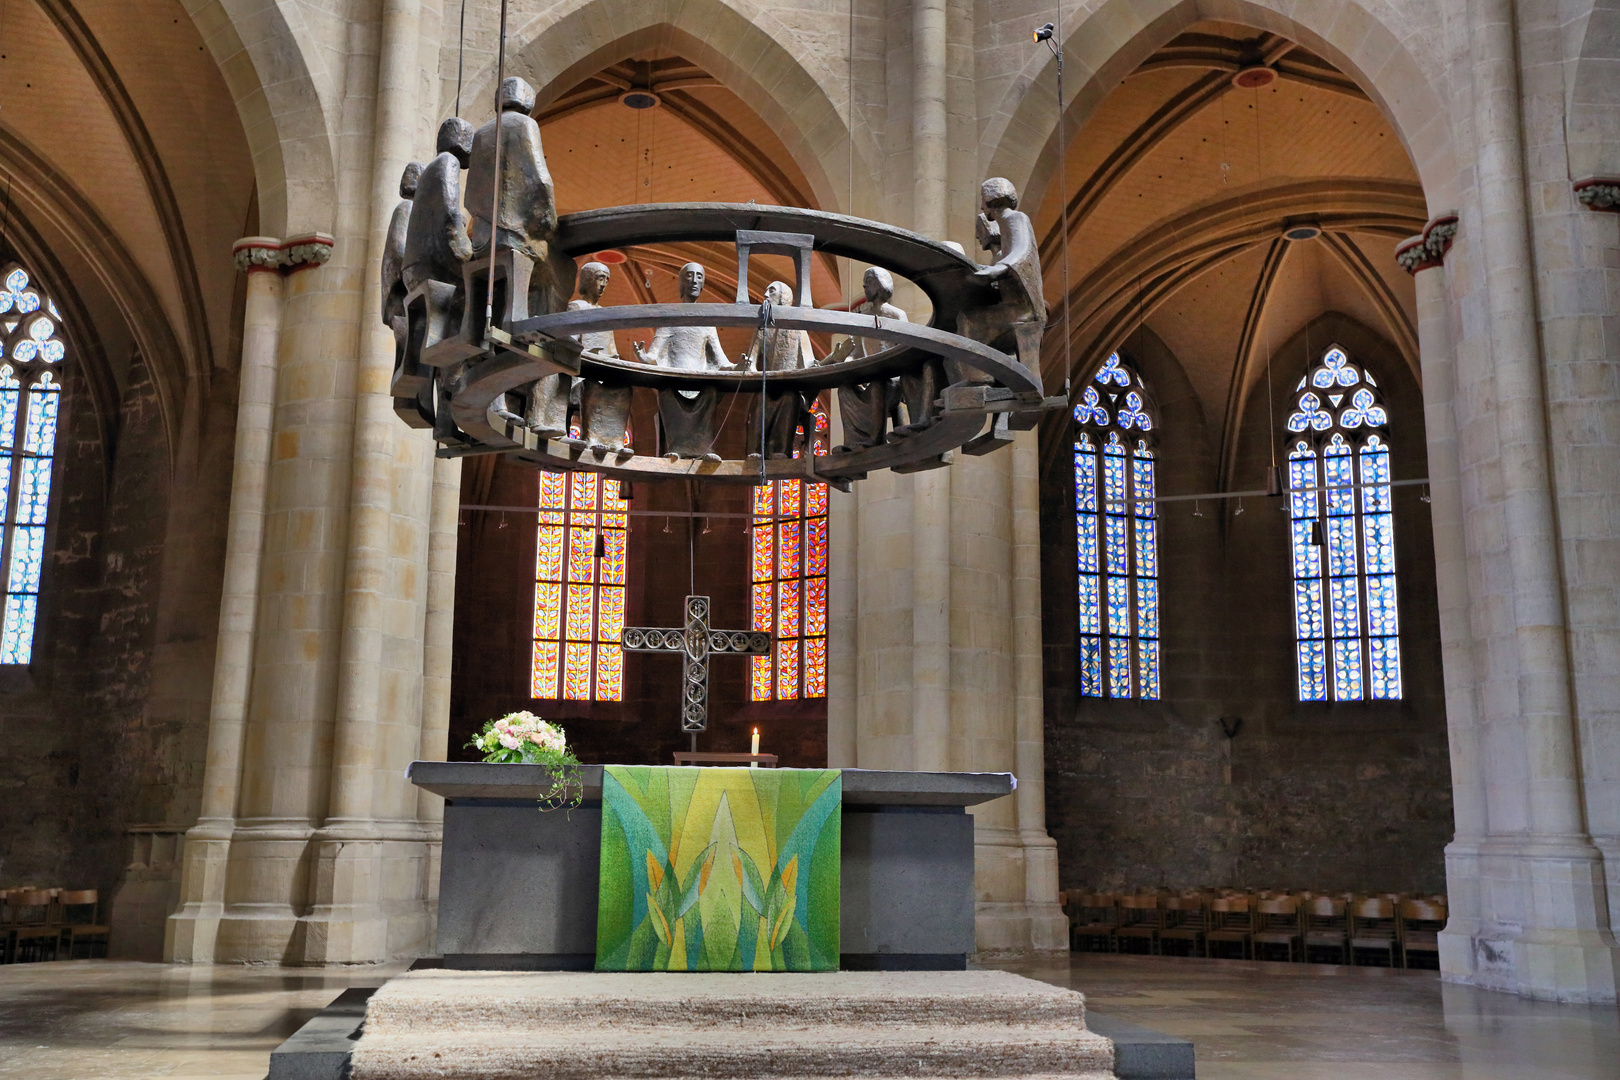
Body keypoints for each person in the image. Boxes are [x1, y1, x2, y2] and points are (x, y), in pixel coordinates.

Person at [635, 262, 732, 462]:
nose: (694, 281)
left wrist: (739, 366)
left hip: (699, 379)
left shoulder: (707, 323)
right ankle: (676, 446)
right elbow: (654, 355)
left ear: (703, 282)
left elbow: (721, 360)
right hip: (674, 379)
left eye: (699, 276)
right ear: (681, 282)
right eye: (689, 276)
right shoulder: (670, 318)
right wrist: (644, 357)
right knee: (667, 392)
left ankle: (704, 448)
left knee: (711, 392)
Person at [822, 267, 906, 451]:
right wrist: (844, 360)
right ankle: (853, 442)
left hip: (892, 382)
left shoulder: (896, 315)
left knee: (877, 384)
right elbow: (856, 351)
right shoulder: (863, 317)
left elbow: (904, 352)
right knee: (844, 389)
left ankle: (875, 440)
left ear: (880, 284)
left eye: (869, 281)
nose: (864, 286)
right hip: (870, 378)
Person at [744, 281, 814, 459]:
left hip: (792, 388)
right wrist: (747, 365)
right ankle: (756, 451)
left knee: (790, 398)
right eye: (765, 290)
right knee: (760, 398)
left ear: (784, 298)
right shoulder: (761, 330)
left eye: (771, 291)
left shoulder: (798, 330)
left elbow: (809, 364)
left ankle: (780, 451)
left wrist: (834, 358)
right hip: (769, 386)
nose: (765, 295)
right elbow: (751, 360)